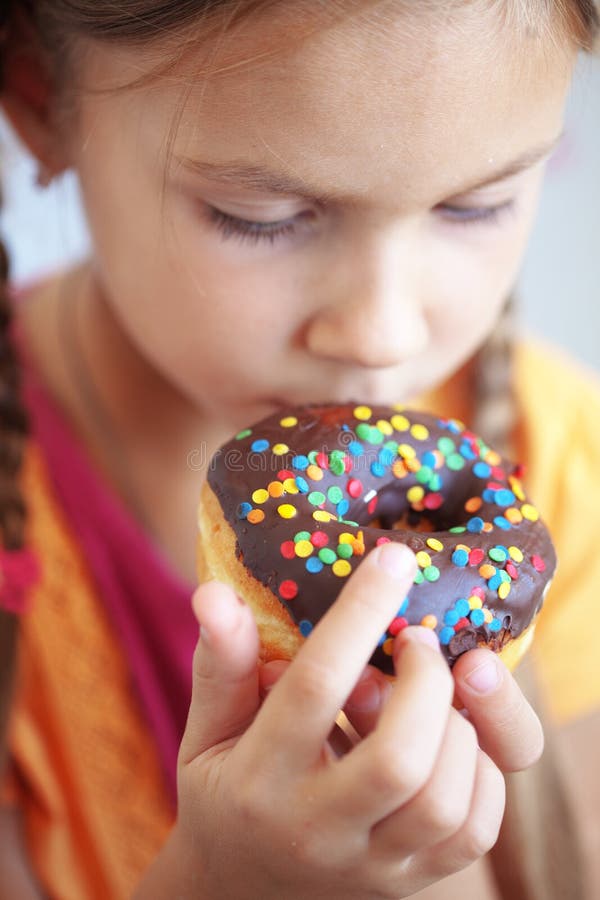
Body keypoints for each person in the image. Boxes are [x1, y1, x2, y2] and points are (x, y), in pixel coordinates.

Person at [0, 1, 599, 898]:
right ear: (43, 98)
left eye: (478, 205)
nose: (382, 337)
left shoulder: (564, 463)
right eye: (263, 214)